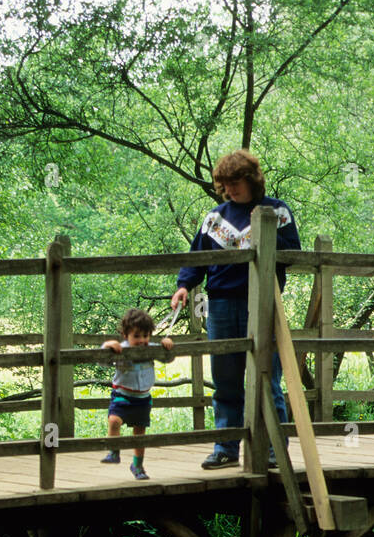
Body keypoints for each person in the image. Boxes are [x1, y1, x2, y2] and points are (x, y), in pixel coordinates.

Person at [170, 149, 300, 469]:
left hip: (264, 302)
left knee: (267, 378)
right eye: (225, 184)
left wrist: (264, 234)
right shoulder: (214, 218)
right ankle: (226, 447)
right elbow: (197, 257)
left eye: (236, 182)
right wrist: (184, 285)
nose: (230, 189)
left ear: (252, 179)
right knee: (226, 380)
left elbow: (293, 253)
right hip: (222, 305)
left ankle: (274, 449)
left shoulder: (276, 211)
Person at [100, 308, 173, 480]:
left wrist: (167, 346)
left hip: (143, 399)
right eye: (137, 336)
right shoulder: (120, 349)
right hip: (122, 395)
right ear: (126, 335)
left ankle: (138, 466)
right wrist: (107, 346)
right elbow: (102, 361)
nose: (142, 340)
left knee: (139, 433)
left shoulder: (151, 349)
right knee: (114, 420)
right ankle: (114, 451)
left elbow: (167, 358)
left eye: (146, 336)